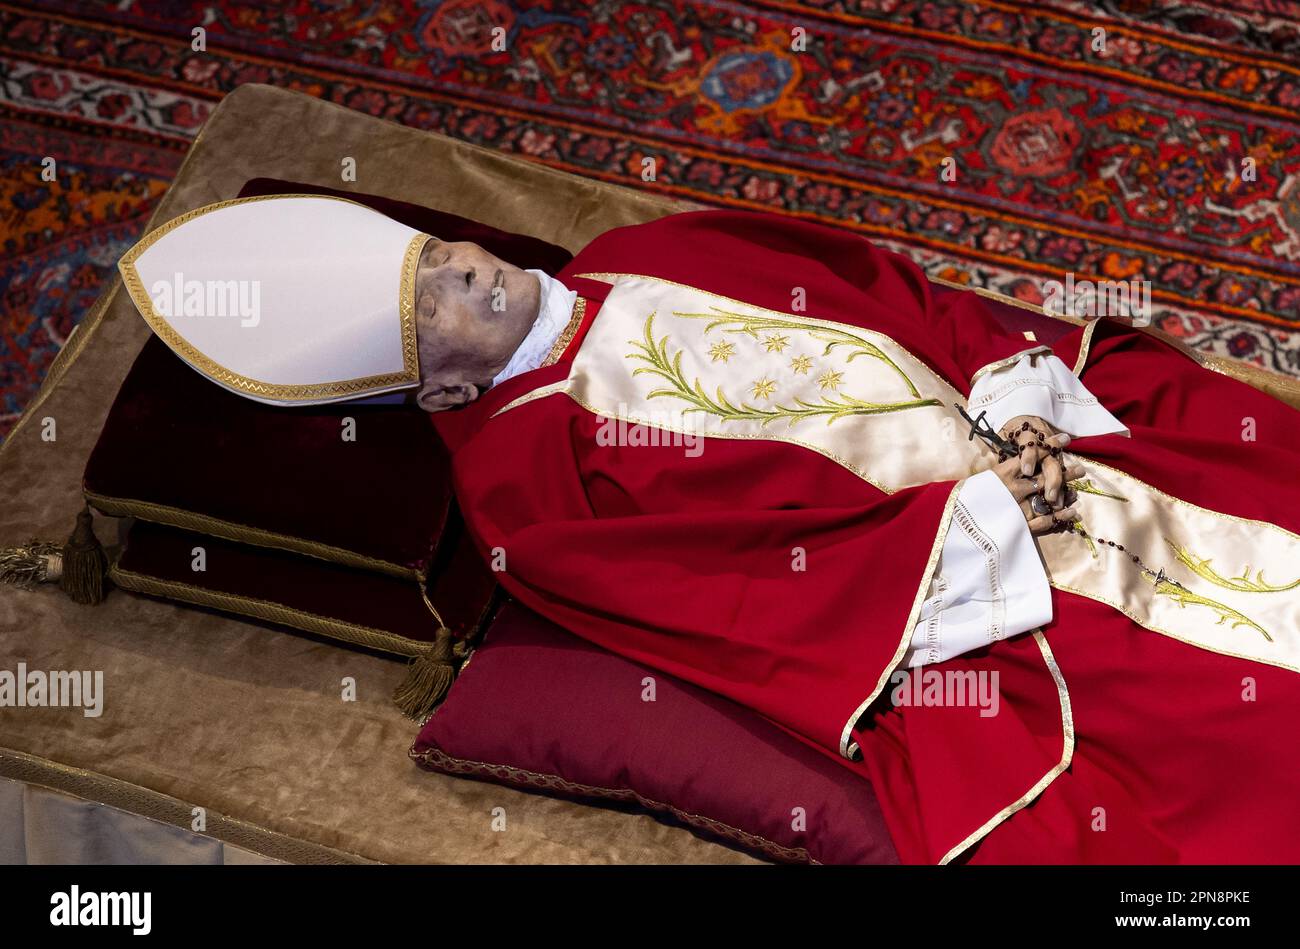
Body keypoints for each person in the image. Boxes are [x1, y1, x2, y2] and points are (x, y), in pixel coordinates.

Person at [121, 194, 1300, 864]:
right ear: (439, 390)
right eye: (431, 303)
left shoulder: (638, 253)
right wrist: (988, 511)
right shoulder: (522, 480)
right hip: (987, 588)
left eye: (438, 256)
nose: (465, 271)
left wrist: (1014, 404)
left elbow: (889, 293)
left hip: (1032, 446)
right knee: (1223, 743)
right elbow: (741, 600)